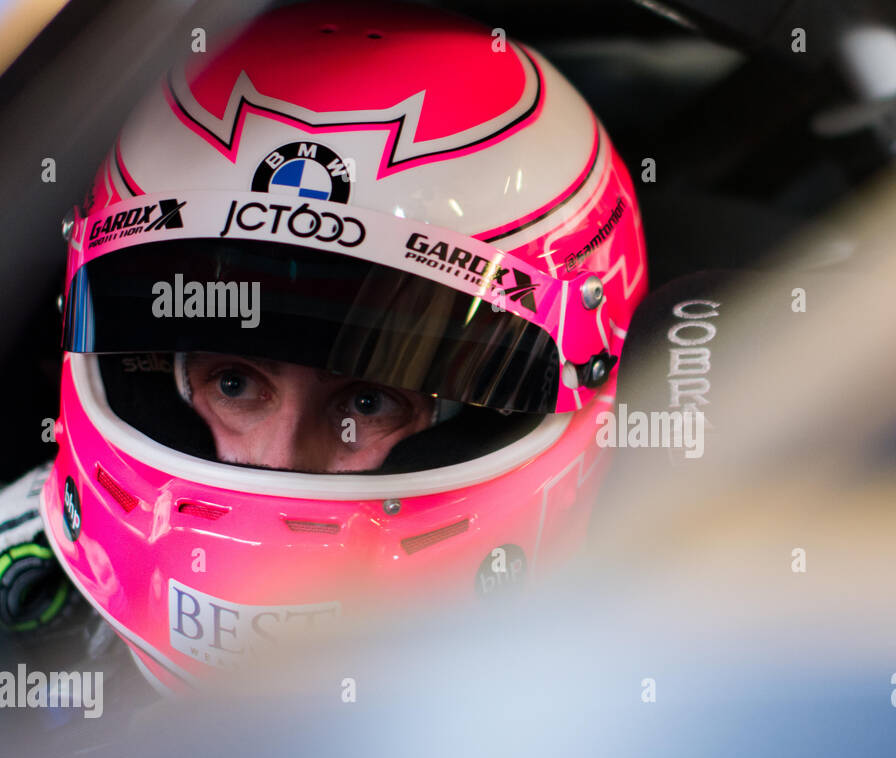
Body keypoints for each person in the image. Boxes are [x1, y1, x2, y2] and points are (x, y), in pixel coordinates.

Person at [0, 0, 648, 697]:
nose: (281, 460)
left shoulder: (672, 662)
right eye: (235, 384)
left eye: (369, 402)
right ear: (145, 377)